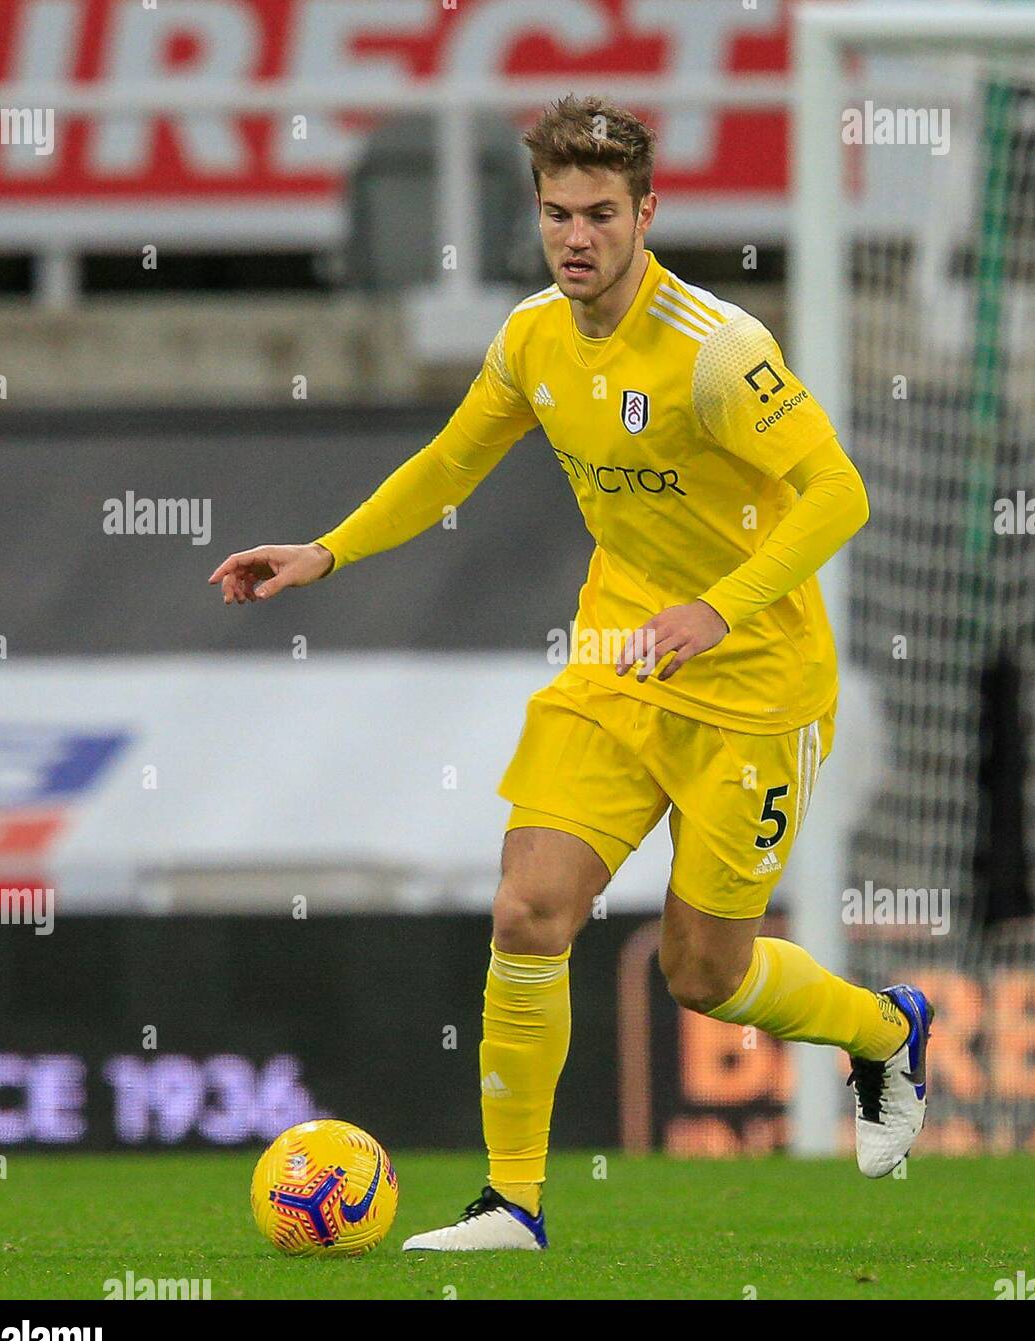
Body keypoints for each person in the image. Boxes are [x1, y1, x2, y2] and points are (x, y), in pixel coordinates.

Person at [209, 96, 932, 1252]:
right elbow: (450, 462)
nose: (576, 236)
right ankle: (514, 1202)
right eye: (556, 214)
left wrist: (719, 604)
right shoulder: (533, 337)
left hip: (755, 687)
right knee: (528, 911)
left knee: (704, 971)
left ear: (648, 211)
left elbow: (838, 491)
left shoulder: (717, 351)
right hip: (612, 663)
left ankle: (884, 1030)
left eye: (601, 213)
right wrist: (324, 550)